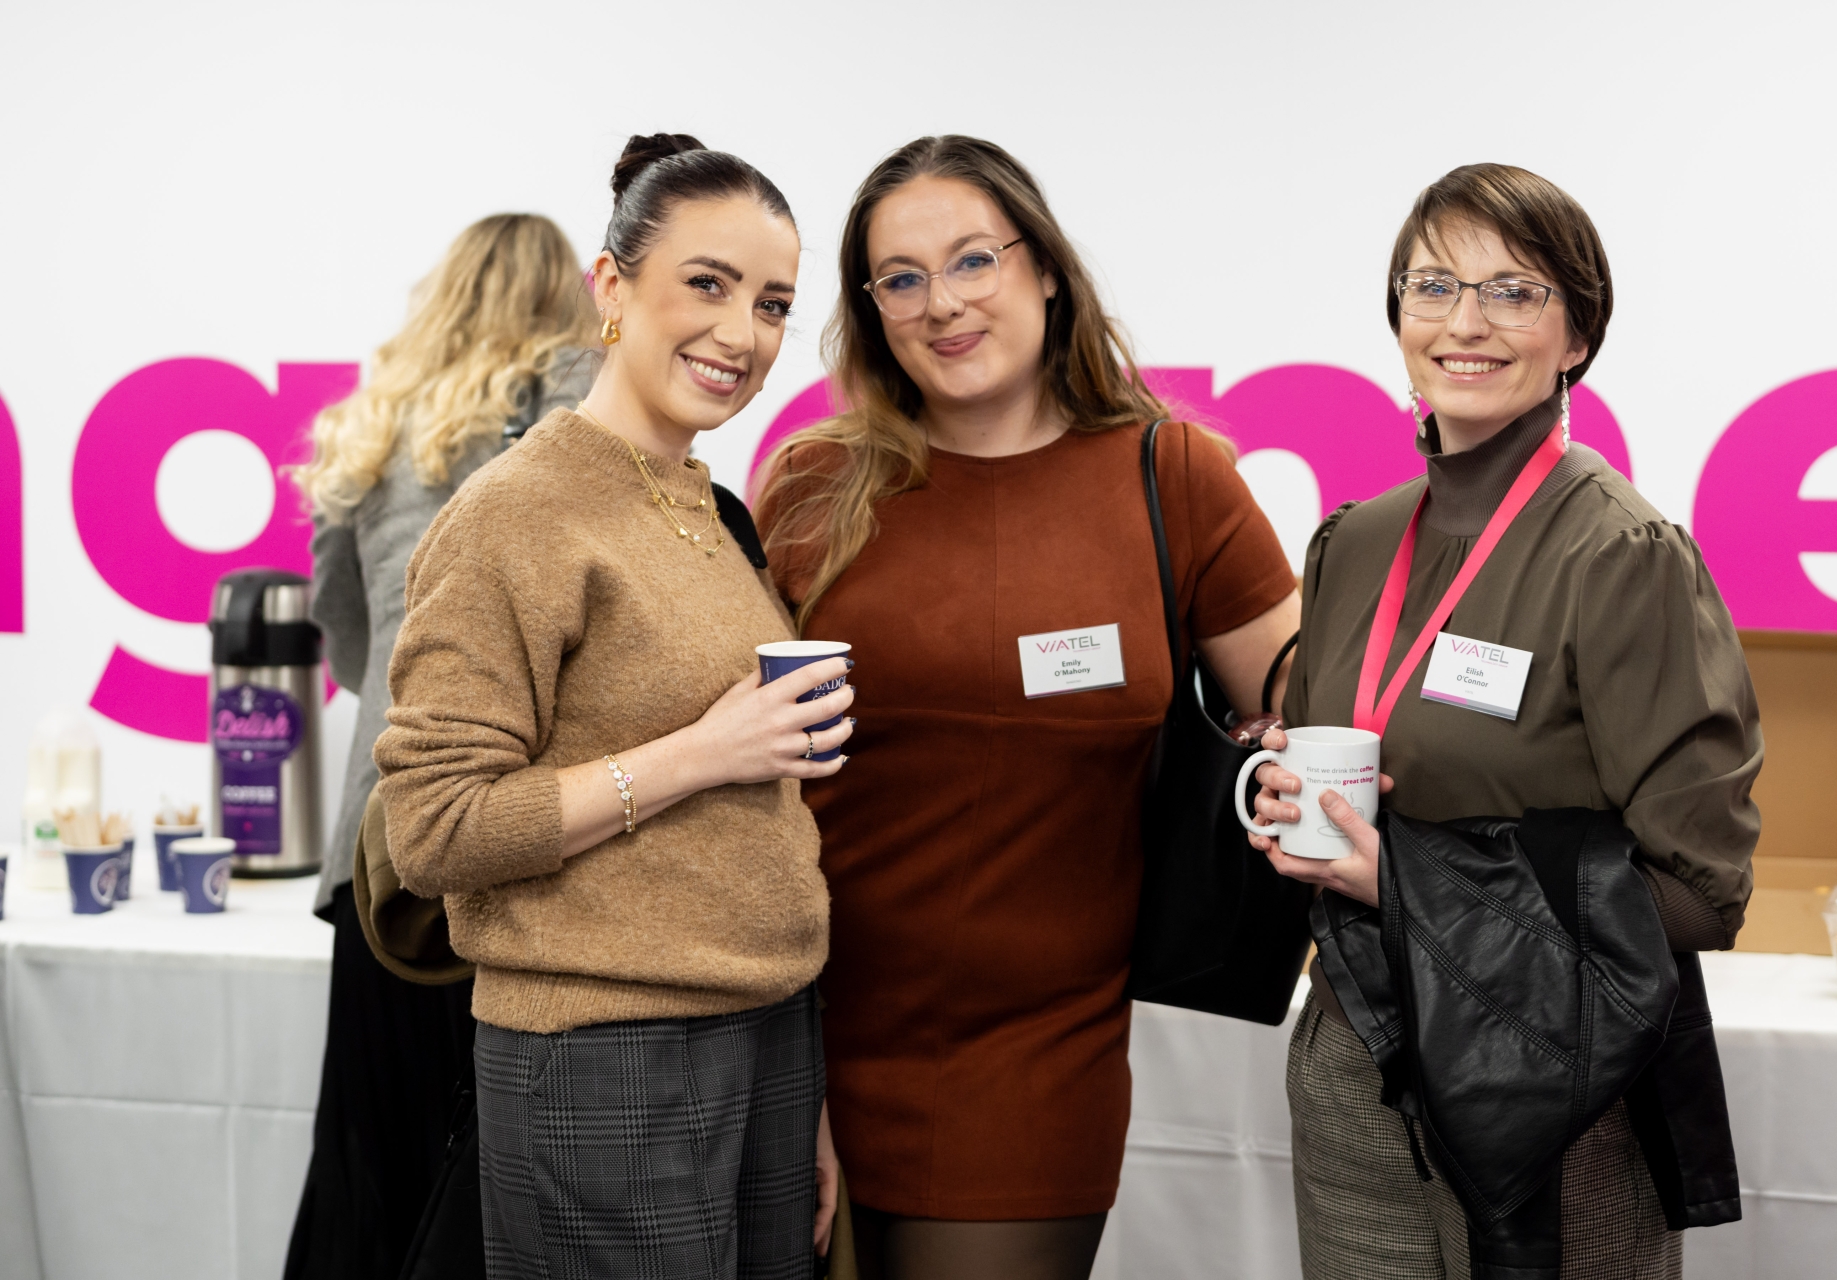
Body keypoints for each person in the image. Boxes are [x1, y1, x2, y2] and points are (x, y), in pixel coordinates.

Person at [755, 135, 1300, 1280]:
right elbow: (756, 777)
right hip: (799, 1034)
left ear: (1045, 267)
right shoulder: (814, 482)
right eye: (900, 278)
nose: (940, 304)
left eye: (971, 262)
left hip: (1039, 1061)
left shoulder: (1174, 474)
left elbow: (1308, 702)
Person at [1248, 163, 1762, 1279]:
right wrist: (1291, 793)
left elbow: (1701, 890)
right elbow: (1354, 754)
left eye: (1513, 290)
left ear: (1576, 333)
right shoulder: (1353, 543)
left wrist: (1409, 880)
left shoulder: (1621, 556)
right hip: (1354, 1049)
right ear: (1397, 317)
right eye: (1432, 285)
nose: (1464, 323)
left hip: (1551, 1080)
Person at [374, 133, 847, 1280]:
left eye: (775, 303)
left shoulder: (708, 507)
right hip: (606, 1050)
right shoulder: (517, 514)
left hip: (764, 1034)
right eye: (708, 284)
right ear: (611, 286)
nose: (743, 333)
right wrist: (700, 752)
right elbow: (435, 828)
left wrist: (807, 1094)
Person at [287, 211, 596, 1280]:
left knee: (368, 1150)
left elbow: (346, 634)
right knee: (491, 1170)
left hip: (370, 842)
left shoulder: (373, 425)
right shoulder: (578, 398)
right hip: (503, 835)